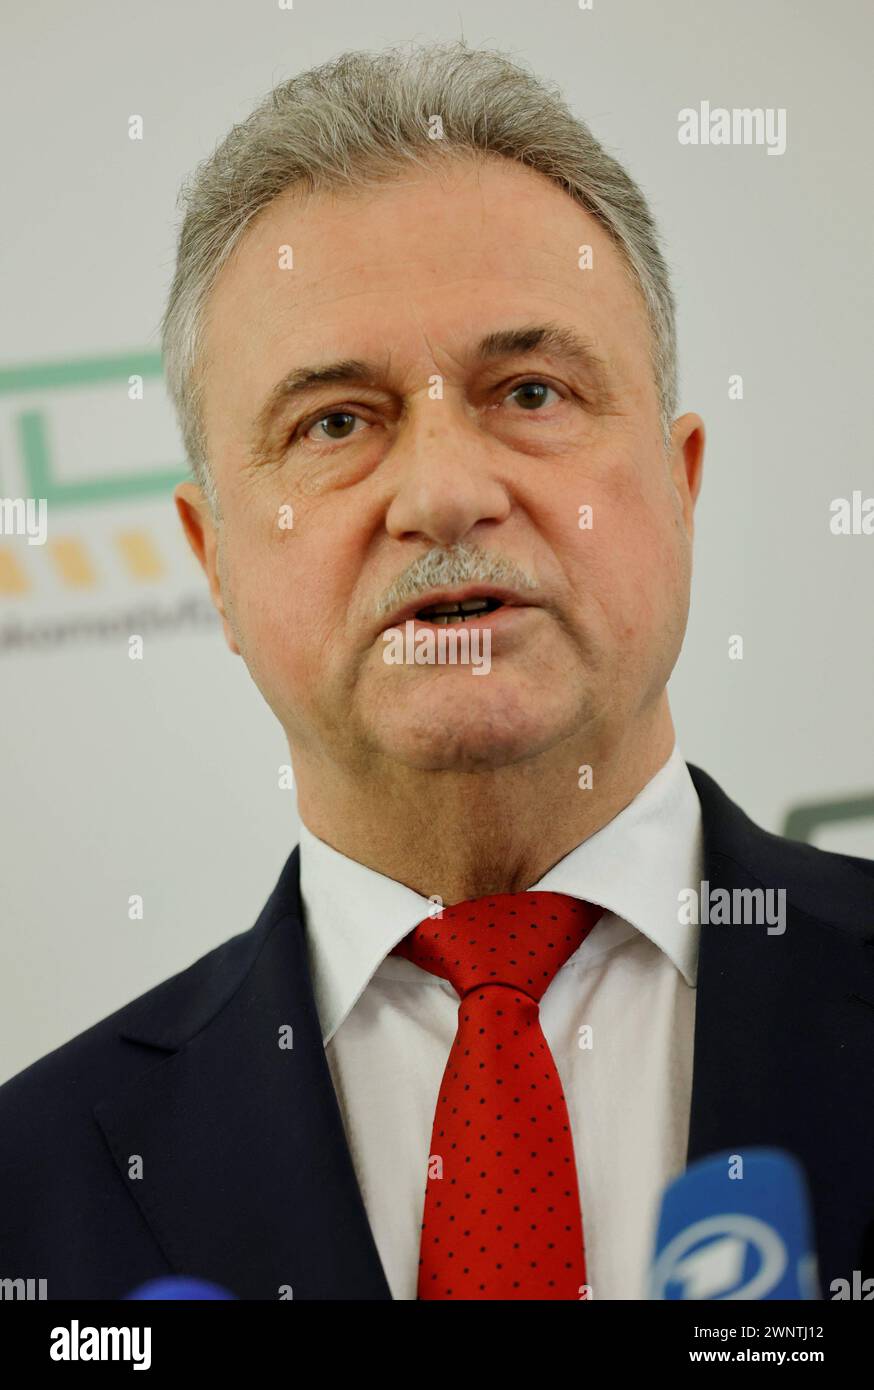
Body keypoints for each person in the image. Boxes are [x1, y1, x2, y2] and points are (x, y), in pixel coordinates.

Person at [1, 41, 872, 1302]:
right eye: (335, 422)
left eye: (531, 391)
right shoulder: (31, 1192)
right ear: (215, 563)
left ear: (681, 487)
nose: (446, 492)